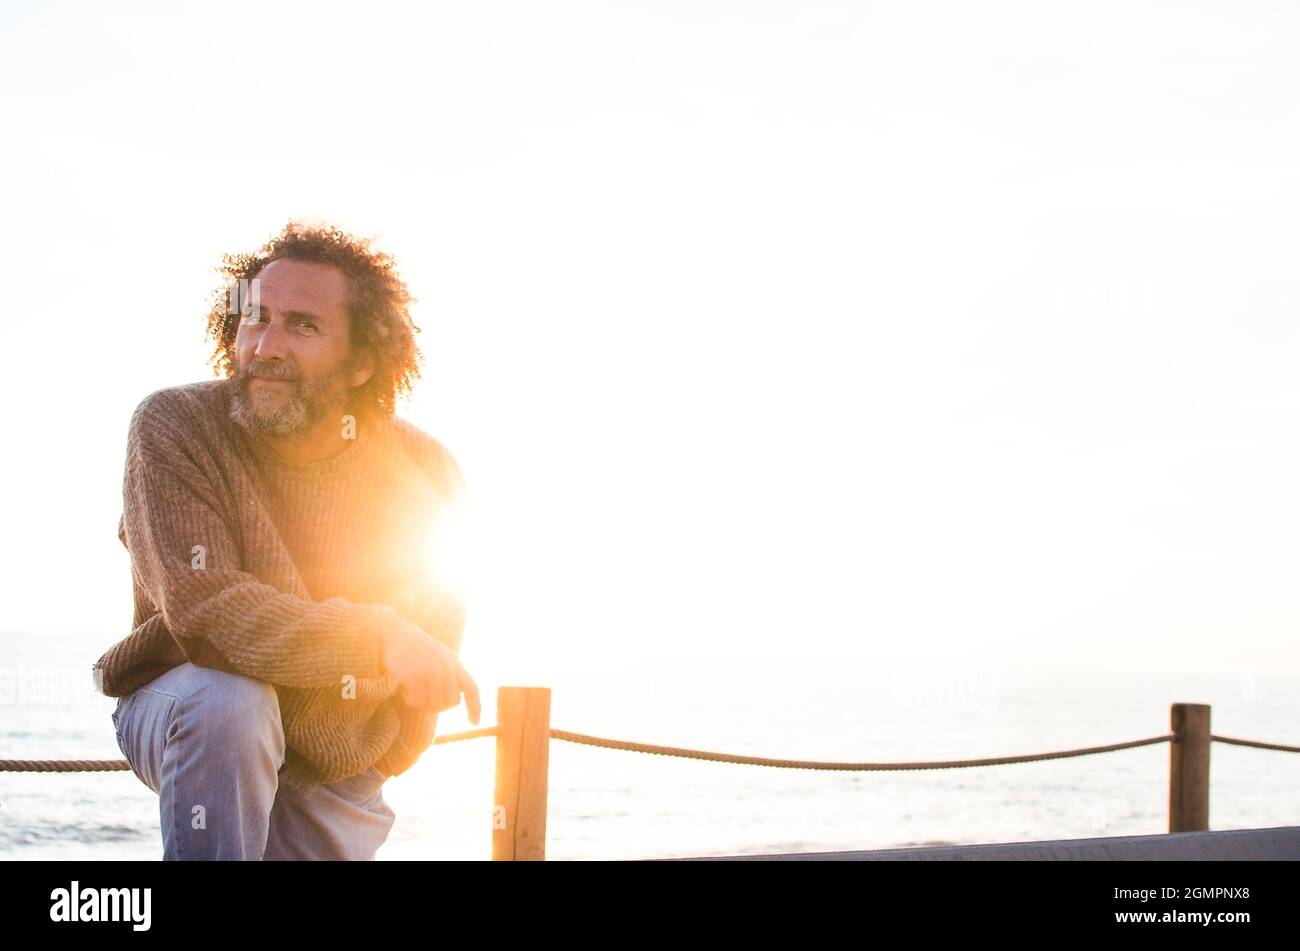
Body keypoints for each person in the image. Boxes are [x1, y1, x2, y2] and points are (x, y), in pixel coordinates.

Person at [93, 220, 480, 860]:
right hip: (188, 702)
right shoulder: (175, 425)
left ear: (361, 361)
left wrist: (375, 760)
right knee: (232, 705)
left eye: (303, 325)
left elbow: (433, 654)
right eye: (255, 319)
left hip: (341, 755)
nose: (267, 345)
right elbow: (205, 607)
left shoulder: (426, 469)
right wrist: (377, 635)